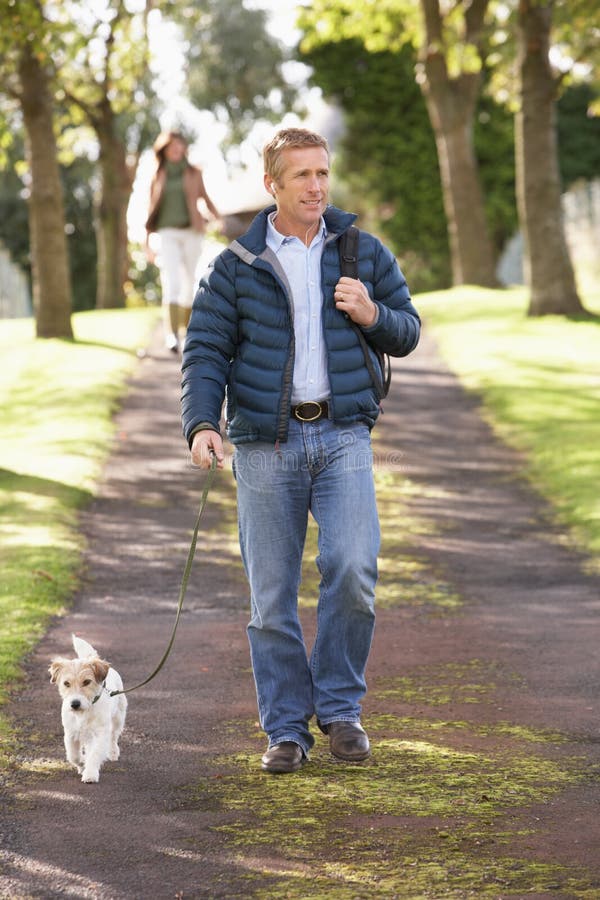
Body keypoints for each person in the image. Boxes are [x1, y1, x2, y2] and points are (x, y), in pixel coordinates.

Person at [181, 127, 421, 774]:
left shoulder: (362, 253)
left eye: (322, 173)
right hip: (265, 444)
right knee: (270, 598)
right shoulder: (236, 265)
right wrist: (203, 423)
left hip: (343, 437)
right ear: (274, 186)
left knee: (352, 571)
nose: (317, 186)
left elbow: (408, 331)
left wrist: (373, 315)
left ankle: (340, 708)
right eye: (302, 177)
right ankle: (286, 728)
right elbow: (204, 350)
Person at [145, 131, 220, 353]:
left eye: (179, 145)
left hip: (191, 232)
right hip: (167, 232)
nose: (176, 149)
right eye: (171, 146)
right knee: (172, 282)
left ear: (184, 148)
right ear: (164, 150)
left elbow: (205, 198)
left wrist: (219, 218)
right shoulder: (158, 174)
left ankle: (187, 333)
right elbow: (151, 209)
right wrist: (147, 242)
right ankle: (171, 335)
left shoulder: (194, 172)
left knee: (190, 283)